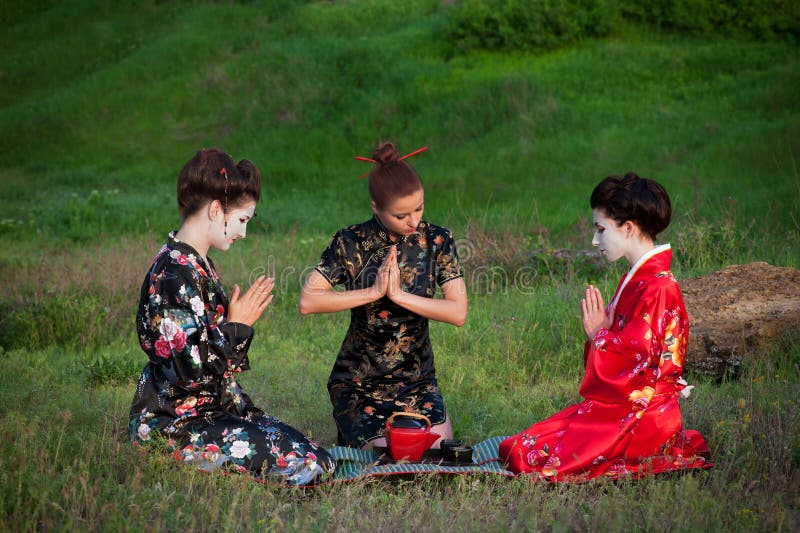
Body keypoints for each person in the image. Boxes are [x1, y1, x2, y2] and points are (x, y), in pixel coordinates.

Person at [129, 148, 335, 486]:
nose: (243, 233)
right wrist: (236, 328)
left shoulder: (193, 263)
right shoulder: (172, 274)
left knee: (312, 452)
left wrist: (233, 329)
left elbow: (207, 358)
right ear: (214, 209)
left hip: (208, 411)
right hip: (174, 425)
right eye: (241, 220)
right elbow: (190, 374)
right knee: (307, 464)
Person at [499, 172, 711, 481]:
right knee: (520, 447)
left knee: (528, 457)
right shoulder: (639, 280)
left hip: (644, 415)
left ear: (627, 227)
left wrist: (599, 336)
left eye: (601, 230)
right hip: (629, 404)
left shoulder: (658, 287)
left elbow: (638, 362)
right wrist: (603, 336)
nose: (594, 240)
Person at [299, 141, 468, 449]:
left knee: (432, 451)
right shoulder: (350, 241)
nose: (413, 221)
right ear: (376, 207)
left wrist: (400, 296)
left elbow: (458, 313)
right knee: (390, 454)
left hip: (417, 380)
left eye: (419, 208)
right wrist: (374, 291)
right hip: (358, 381)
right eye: (401, 215)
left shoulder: (437, 239)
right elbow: (308, 301)